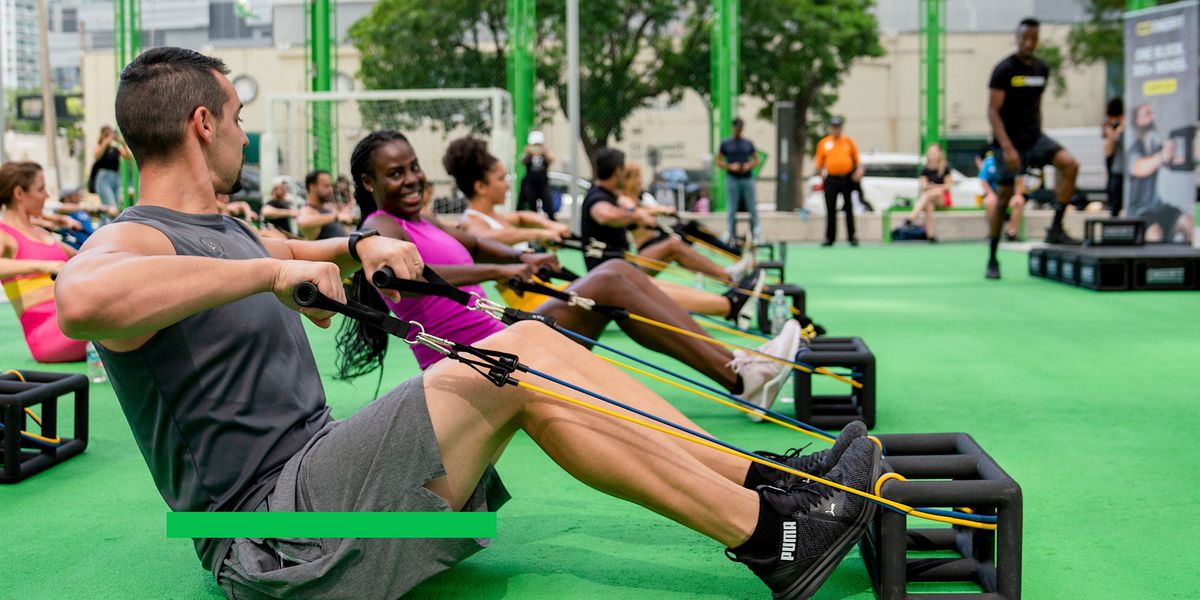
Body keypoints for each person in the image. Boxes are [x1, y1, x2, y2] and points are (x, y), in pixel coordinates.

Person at [54, 47, 881, 600]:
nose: (239, 130)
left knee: (538, 346)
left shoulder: (226, 229)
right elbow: (81, 302)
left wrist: (354, 244)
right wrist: (275, 271)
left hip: (322, 493)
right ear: (204, 123)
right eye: (233, 116)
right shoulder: (132, 236)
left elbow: (297, 244)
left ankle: (768, 484)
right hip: (268, 540)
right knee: (514, 351)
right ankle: (772, 536)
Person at [353, 131, 798, 417]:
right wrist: (506, 266)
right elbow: (423, 273)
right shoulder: (381, 228)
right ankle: (741, 375)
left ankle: (738, 368)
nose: (411, 179)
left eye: (414, 167)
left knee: (618, 274)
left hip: (500, 340)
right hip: (474, 362)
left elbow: (474, 242)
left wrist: (521, 257)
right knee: (612, 276)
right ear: (369, 183)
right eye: (395, 173)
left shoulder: (423, 220)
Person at [986, 17, 1081, 279]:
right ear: (1017, 38)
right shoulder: (1003, 70)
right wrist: (1007, 147)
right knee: (1003, 197)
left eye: (1033, 39)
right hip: (1008, 143)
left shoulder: (1041, 69)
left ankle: (1056, 227)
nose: (1028, 43)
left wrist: (1037, 136)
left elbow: (1035, 107)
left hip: (1034, 139)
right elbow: (993, 112)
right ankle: (992, 257)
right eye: (1024, 38)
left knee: (1070, 164)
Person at [0, 161, 87, 362]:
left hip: (73, 319)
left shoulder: (41, 233)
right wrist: (42, 265)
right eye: (41, 189)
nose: (47, 195)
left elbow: (86, 258)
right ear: (19, 193)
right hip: (46, 336)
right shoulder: (5, 234)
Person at [1126, 102, 1194, 242]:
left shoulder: (1154, 146)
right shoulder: (1135, 148)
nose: (1152, 118)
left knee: (1189, 223)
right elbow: (1138, 168)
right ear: (1137, 121)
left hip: (1159, 206)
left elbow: (1176, 160)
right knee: (1154, 234)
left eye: (1152, 113)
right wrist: (1161, 156)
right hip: (1140, 210)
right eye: (1147, 114)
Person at [813, 116, 861, 247]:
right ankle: (829, 237)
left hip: (846, 178)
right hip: (831, 179)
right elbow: (819, 164)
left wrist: (858, 172)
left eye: (838, 127)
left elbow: (857, 160)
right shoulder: (824, 143)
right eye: (834, 127)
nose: (836, 129)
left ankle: (852, 236)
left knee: (848, 208)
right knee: (830, 209)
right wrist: (821, 179)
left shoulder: (848, 141)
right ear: (830, 128)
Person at [717, 118, 762, 245]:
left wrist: (748, 165)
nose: (738, 131)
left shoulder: (748, 143)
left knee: (752, 206)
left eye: (740, 129)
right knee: (732, 207)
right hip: (732, 178)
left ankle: (756, 232)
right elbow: (719, 161)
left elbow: (756, 160)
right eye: (736, 129)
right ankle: (730, 232)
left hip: (747, 178)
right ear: (733, 128)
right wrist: (730, 166)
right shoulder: (726, 143)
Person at [905, 143, 951, 243]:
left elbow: (947, 186)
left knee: (932, 193)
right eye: (931, 152)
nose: (933, 155)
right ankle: (930, 235)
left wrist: (935, 187)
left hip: (942, 198)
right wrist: (929, 186)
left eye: (935, 152)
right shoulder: (925, 170)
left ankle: (912, 217)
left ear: (940, 154)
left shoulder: (945, 168)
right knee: (929, 204)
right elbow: (924, 185)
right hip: (930, 198)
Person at [978, 146, 1025, 242]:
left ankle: (1012, 233)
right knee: (990, 202)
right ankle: (993, 233)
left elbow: (1019, 180)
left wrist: (1017, 194)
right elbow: (983, 181)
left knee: (1018, 201)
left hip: (1009, 193)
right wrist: (990, 194)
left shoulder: (1013, 161)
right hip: (994, 193)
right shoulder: (988, 162)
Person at [297, 169, 355, 240]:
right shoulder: (308, 209)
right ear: (312, 187)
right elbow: (302, 222)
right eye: (326, 186)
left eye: (331, 186)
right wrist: (337, 217)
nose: (331, 189)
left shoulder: (328, 207)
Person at [517, 130, 556, 221]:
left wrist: (545, 152)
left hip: (542, 183)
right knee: (532, 205)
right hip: (530, 183)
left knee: (548, 205)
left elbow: (552, 159)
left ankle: (552, 221)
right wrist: (527, 152)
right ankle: (534, 221)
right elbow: (522, 161)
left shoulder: (545, 155)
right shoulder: (527, 155)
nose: (536, 148)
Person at [90, 125, 132, 208]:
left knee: (114, 207)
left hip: (116, 178)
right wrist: (106, 141)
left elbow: (128, 156)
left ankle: (105, 221)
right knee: (111, 207)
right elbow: (96, 156)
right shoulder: (100, 147)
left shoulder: (115, 149)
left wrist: (122, 143)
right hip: (104, 178)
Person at [1103, 98, 1126, 217]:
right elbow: (1107, 152)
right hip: (1117, 169)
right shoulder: (1112, 128)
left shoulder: (1130, 126)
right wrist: (1112, 135)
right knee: (1115, 201)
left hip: (1129, 169)